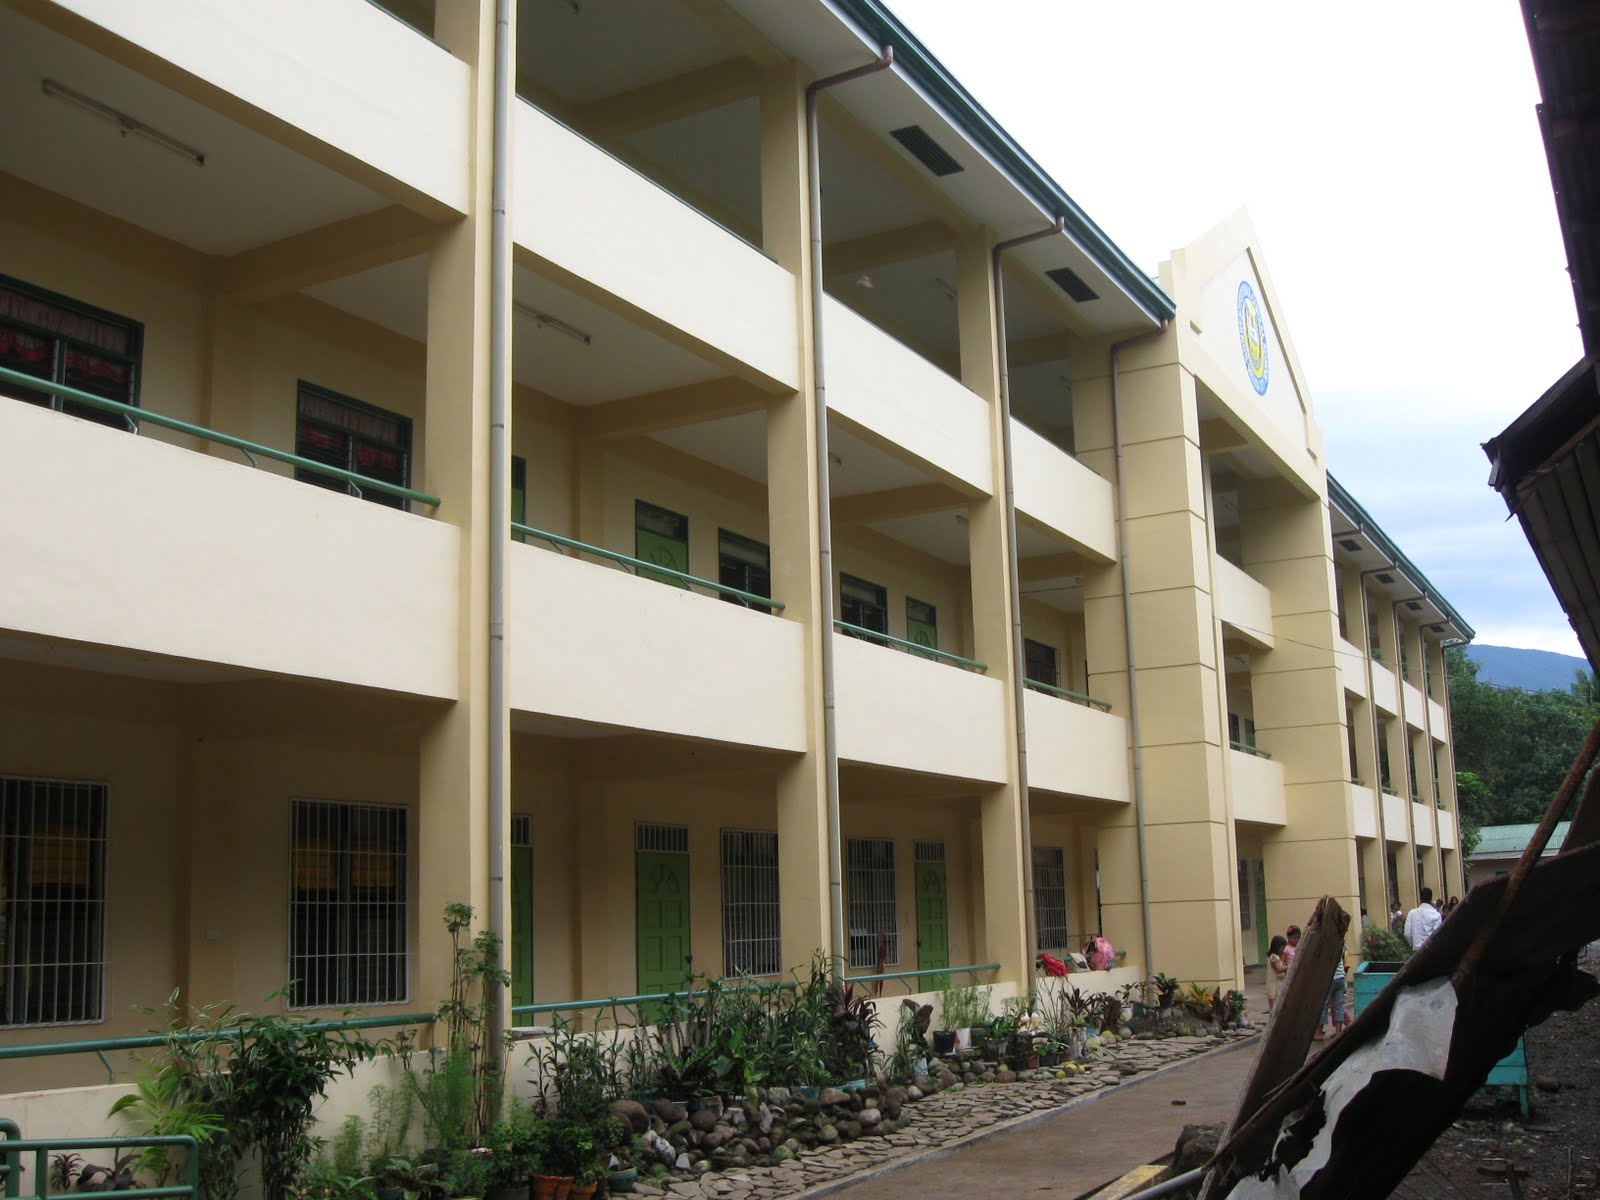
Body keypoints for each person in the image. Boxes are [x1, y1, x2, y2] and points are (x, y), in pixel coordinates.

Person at [1266, 934, 1290, 1011]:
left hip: (1278, 986)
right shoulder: (1273, 957)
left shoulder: (1278, 957)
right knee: (1274, 1009)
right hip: (1274, 986)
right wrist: (1289, 967)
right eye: (1282, 948)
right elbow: (1279, 969)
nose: (1283, 950)